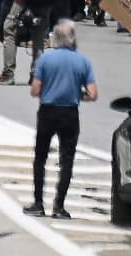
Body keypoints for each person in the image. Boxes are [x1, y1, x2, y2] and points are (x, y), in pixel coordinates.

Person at [25, 23, 98, 220]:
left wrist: (49, 90)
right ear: (73, 38)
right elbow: (92, 94)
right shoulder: (83, 62)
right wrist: (76, 93)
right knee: (67, 160)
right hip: (70, 113)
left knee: (40, 157)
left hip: (48, 111)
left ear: (54, 38)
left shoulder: (45, 59)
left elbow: (35, 90)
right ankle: (59, 205)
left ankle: (38, 203)